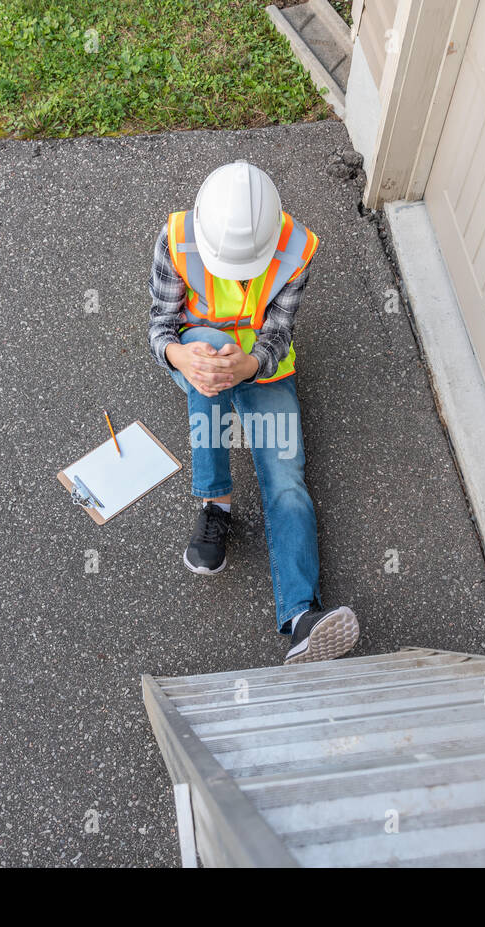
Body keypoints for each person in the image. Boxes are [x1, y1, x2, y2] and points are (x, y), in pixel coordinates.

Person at [147, 160, 359, 665]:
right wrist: (183, 357)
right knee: (205, 354)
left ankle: (302, 616)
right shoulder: (177, 238)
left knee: (287, 480)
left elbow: (279, 330)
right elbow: (160, 327)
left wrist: (248, 365)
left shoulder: (296, 248)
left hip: (263, 367)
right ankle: (216, 506)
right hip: (198, 353)